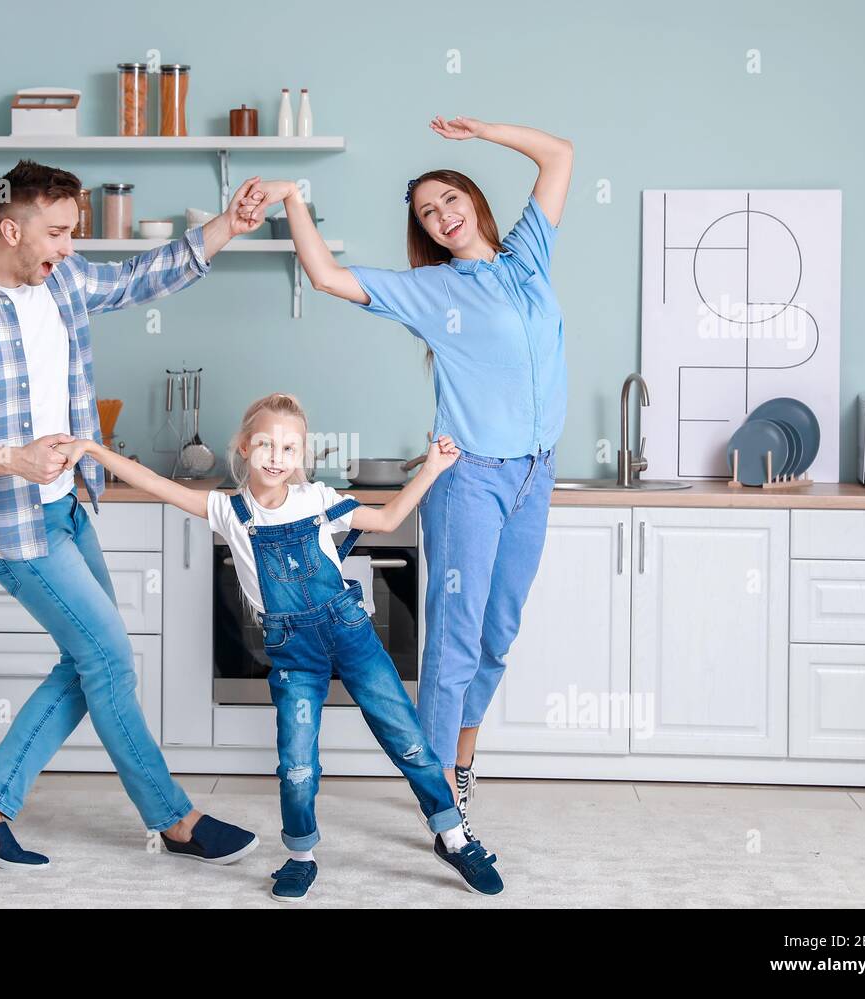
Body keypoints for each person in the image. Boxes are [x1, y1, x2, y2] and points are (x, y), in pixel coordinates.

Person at [0, 159, 269, 869]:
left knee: (90, 659)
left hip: (67, 504)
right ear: (12, 227)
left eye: (74, 234)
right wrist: (9, 457)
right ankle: (175, 819)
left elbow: (137, 277)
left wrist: (227, 225)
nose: (70, 248)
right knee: (108, 656)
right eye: (58, 233)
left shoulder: (61, 277)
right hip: (7, 523)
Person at [239, 116, 574, 841]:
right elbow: (327, 276)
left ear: (475, 202)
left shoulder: (528, 260)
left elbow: (559, 154)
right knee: (454, 641)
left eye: (449, 198)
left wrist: (481, 129)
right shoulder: (430, 290)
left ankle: (458, 760)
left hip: (536, 475)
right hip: (471, 481)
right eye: (428, 212)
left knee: (497, 634)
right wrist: (295, 197)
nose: (442, 215)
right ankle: (441, 806)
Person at [53, 392, 505, 900]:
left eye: (290, 448)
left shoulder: (316, 499)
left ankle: (453, 837)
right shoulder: (227, 510)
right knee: (296, 762)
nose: (277, 455)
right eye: (266, 443)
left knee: (409, 739)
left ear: (301, 457)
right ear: (245, 448)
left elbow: (387, 519)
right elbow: (157, 484)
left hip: (352, 634)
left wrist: (435, 468)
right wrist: (91, 448)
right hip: (293, 652)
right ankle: (300, 856)